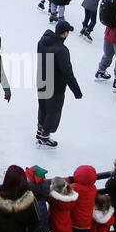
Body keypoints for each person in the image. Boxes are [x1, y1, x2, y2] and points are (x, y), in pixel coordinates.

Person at [36, 20, 83, 148]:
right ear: (65, 33)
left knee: (43, 107)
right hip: (55, 85)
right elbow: (67, 72)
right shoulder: (61, 50)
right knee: (53, 111)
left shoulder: (42, 42)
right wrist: (77, 91)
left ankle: (40, 131)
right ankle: (45, 137)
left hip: (41, 80)